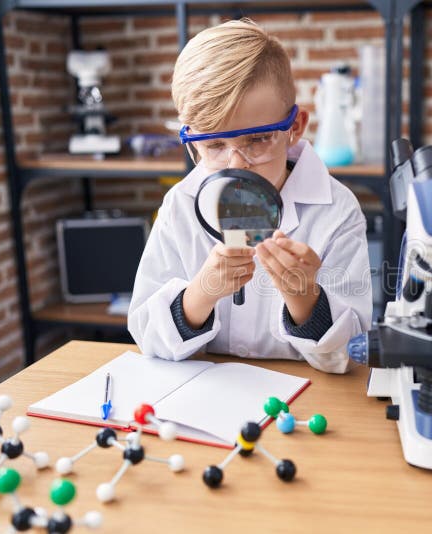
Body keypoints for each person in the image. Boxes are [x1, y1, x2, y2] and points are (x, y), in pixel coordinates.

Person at [128, 19, 372, 373]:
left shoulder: (337, 210)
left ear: (294, 128)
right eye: (213, 145)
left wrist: (304, 297)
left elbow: (351, 354)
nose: (237, 164)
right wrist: (203, 292)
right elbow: (147, 334)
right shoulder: (181, 204)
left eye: (257, 140)